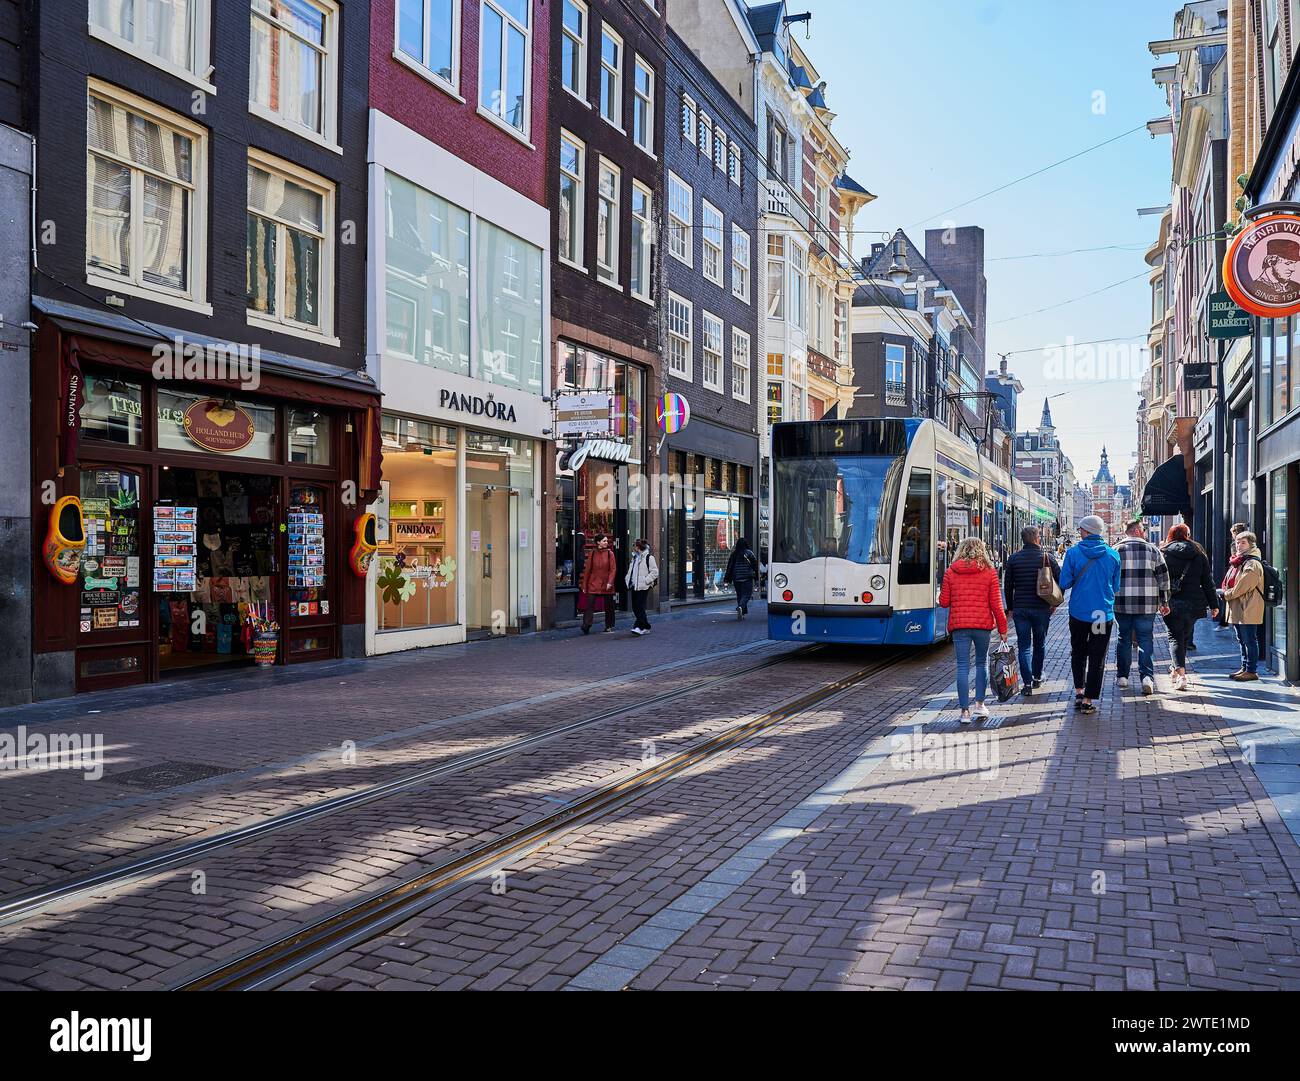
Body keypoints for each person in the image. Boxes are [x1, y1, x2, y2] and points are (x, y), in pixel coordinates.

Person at [938, 536, 1008, 725]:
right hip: (982, 626)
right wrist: (1003, 629)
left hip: (959, 625)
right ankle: (980, 705)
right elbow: (996, 604)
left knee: (962, 667)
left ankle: (964, 712)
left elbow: (943, 602)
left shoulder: (950, 572)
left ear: (960, 550)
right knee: (981, 664)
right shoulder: (989, 572)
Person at [1059, 515, 1122, 715]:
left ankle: (1079, 691)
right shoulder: (1113, 555)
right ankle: (1088, 700)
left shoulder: (1073, 553)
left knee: (1078, 651)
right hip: (1101, 614)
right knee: (1097, 655)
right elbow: (1117, 586)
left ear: (1086, 531)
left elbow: (1064, 583)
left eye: (1080, 530)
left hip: (1078, 613)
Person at [1114, 519, 1171, 696]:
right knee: (1145, 639)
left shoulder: (1115, 550)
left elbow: (1108, 577)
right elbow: (1163, 578)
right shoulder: (1153, 550)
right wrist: (1165, 601)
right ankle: (1146, 677)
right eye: (1143, 530)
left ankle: (1122, 676)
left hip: (1121, 603)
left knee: (1123, 638)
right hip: (1147, 604)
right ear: (1138, 530)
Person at [1002, 525, 1060, 697]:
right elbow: (1061, 579)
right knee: (1039, 644)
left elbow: (1008, 586)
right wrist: (1055, 602)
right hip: (1042, 608)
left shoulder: (1013, 559)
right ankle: (1036, 677)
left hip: (1020, 608)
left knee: (1024, 645)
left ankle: (1026, 683)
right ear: (1037, 539)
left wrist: (1010, 607)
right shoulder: (1047, 558)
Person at [1160, 524, 1218, 691]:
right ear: (1187, 535)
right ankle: (1175, 669)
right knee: (1184, 637)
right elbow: (1208, 582)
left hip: (1172, 602)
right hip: (1194, 603)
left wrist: (1160, 602)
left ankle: (1181, 675)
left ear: (1170, 535)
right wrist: (1214, 604)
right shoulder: (1198, 553)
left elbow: (1159, 580)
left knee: (1175, 637)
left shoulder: (1165, 553)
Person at [1220, 530, 1266, 681]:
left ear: (1251, 544)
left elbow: (1243, 586)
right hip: (1240, 606)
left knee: (1249, 640)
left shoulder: (1252, 563)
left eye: (1243, 542)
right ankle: (1245, 667)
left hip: (1248, 607)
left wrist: (1226, 594)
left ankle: (1251, 670)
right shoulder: (1241, 561)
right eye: (1237, 542)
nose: (1239, 545)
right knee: (1242, 639)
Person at [579, 533, 617, 634]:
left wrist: (610, 582)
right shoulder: (593, 553)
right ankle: (586, 625)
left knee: (609, 606)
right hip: (593, 583)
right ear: (598, 542)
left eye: (606, 541)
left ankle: (609, 626)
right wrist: (584, 585)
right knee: (589, 605)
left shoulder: (610, 554)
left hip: (606, 583)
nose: (606, 543)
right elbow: (588, 570)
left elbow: (613, 569)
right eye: (604, 541)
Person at [624, 538, 658, 636]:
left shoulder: (649, 557)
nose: (633, 547)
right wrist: (627, 579)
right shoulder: (634, 557)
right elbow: (631, 571)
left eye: (634, 546)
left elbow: (655, 572)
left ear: (638, 547)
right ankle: (646, 626)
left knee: (640, 606)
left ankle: (638, 627)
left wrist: (646, 581)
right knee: (635, 607)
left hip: (643, 586)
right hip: (634, 585)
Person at [723, 537, 760, 620]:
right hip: (747, 577)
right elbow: (755, 565)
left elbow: (729, 566)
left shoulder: (734, 554)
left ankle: (742, 613)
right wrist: (757, 577)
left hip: (736, 578)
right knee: (747, 595)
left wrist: (727, 578)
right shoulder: (749, 553)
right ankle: (740, 607)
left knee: (740, 595)